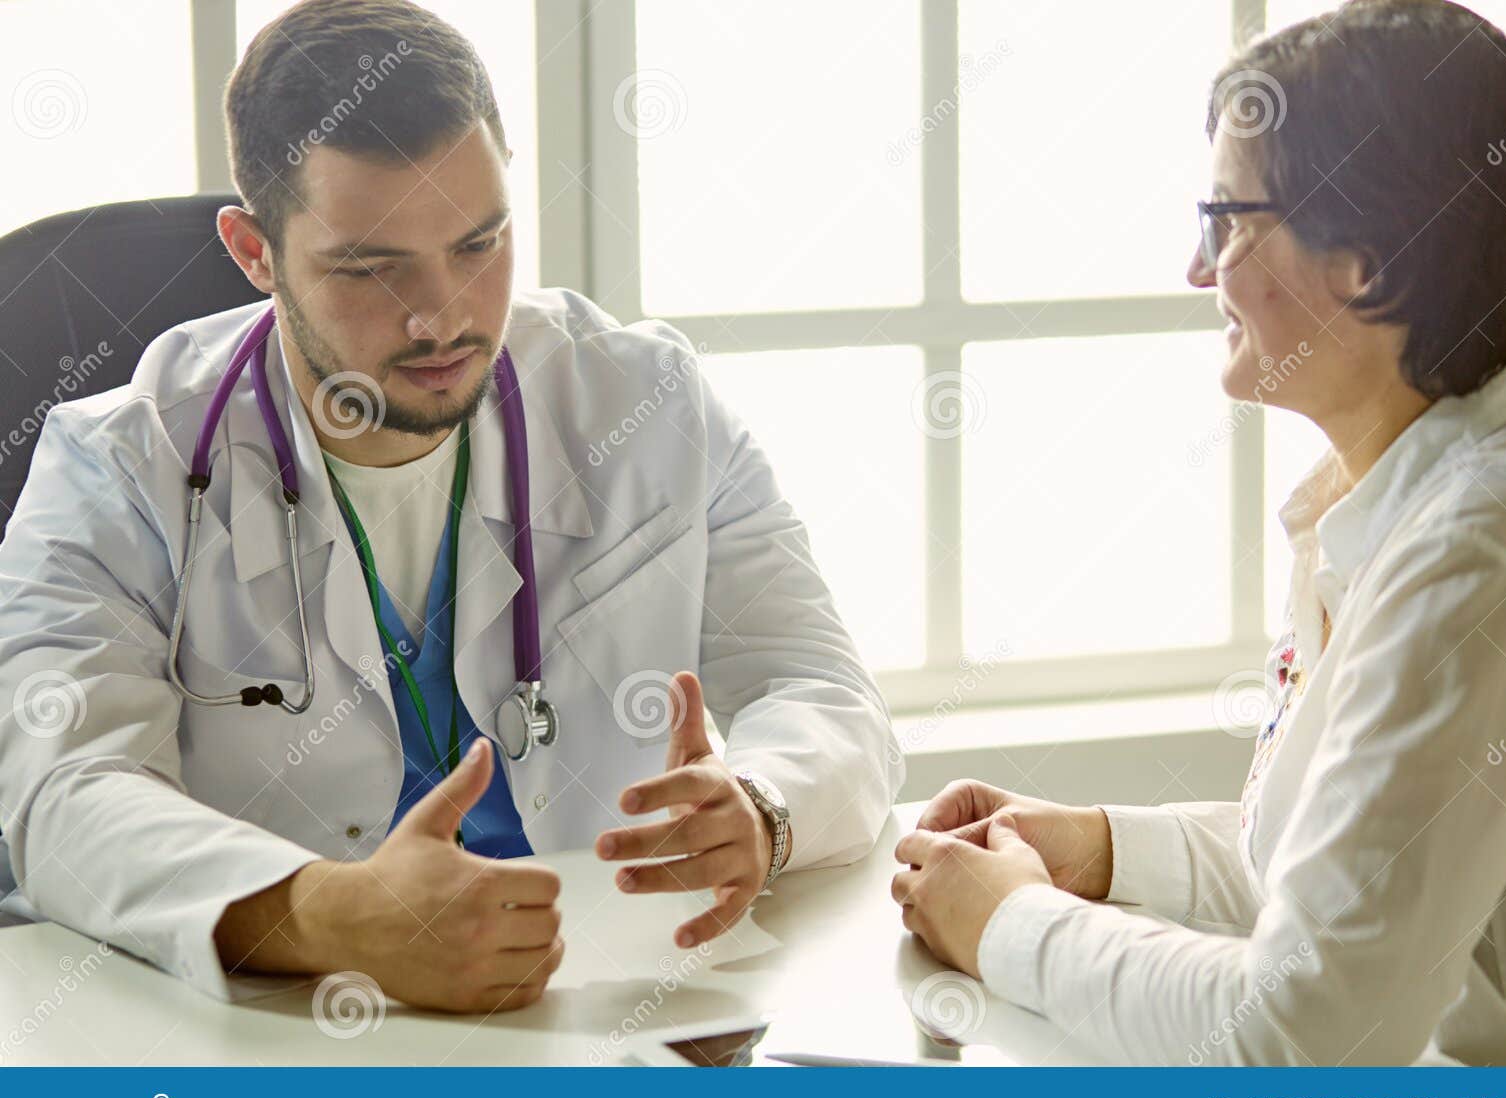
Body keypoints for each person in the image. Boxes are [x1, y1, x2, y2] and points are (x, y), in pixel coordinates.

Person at [0, 0, 899, 1013]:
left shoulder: (646, 402)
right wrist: (324, 913)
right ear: (255, 252)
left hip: (601, 1008)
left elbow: (820, 688)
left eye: (479, 246)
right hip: (278, 1027)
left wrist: (761, 806)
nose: (442, 316)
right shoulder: (118, 465)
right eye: (370, 268)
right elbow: (61, 795)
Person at [892, 0, 1506, 1065]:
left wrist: (1008, 925)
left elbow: (1307, 1033)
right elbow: (1337, 875)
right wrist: (1094, 851)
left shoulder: (1489, 546)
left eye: (1225, 218)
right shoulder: (1380, 496)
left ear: (1364, 256)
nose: (1195, 266)